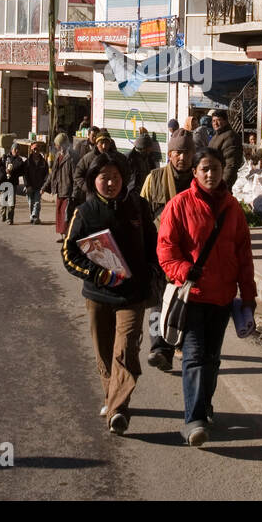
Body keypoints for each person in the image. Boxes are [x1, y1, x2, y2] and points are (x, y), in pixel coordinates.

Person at [158, 146, 255, 446]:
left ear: (224, 169)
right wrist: (184, 269)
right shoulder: (178, 205)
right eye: (205, 169)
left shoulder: (233, 208)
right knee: (195, 356)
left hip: (223, 298)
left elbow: (244, 254)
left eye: (215, 168)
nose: (211, 174)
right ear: (195, 173)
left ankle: (204, 406)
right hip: (193, 297)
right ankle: (194, 420)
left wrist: (248, 297)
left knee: (212, 359)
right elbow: (165, 251)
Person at [62, 153, 158, 435]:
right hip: (98, 295)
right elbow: (69, 254)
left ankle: (118, 410)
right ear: (94, 181)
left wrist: (153, 270)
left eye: (116, 177)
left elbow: (154, 244)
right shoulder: (85, 212)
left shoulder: (138, 207)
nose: (111, 182)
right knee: (104, 354)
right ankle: (112, 395)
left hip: (133, 295)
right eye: (104, 177)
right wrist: (95, 273)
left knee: (126, 349)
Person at [139, 128, 198, 371]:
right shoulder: (154, 178)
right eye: (177, 152)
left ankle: (179, 344)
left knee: (182, 302)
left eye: (186, 152)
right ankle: (158, 348)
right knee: (156, 302)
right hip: (158, 253)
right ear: (170, 154)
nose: (181, 157)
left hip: (188, 256)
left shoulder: (200, 181)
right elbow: (142, 215)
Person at [47, 132, 77, 241]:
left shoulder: (71, 157)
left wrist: (74, 192)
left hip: (67, 190)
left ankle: (67, 236)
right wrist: (44, 187)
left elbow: (75, 176)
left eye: (57, 144)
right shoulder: (58, 155)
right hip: (59, 189)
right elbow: (53, 173)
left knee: (66, 214)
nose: (56, 147)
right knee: (59, 213)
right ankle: (62, 235)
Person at [208, 109, 242, 188]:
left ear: (225, 121)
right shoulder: (216, 136)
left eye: (218, 120)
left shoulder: (231, 137)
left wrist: (223, 185)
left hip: (221, 181)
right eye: (213, 121)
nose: (215, 123)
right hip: (213, 179)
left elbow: (231, 164)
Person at [0, 145, 26, 224]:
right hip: (4, 181)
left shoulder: (19, 160)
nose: (17, 151)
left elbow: (20, 169)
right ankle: (3, 214)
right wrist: (5, 171)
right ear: (11, 150)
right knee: (3, 200)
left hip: (13, 183)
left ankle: (10, 219)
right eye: (15, 149)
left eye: (18, 149)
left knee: (11, 202)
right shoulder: (4, 158)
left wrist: (11, 170)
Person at [23, 141, 50, 224]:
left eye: (37, 150)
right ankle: (33, 217)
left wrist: (44, 186)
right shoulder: (27, 162)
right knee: (31, 203)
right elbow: (25, 175)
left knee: (37, 202)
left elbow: (47, 175)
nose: (36, 151)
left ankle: (35, 217)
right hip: (30, 186)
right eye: (34, 150)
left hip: (39, 186)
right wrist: (27, 186)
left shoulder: (43, 162)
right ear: (31, 150)